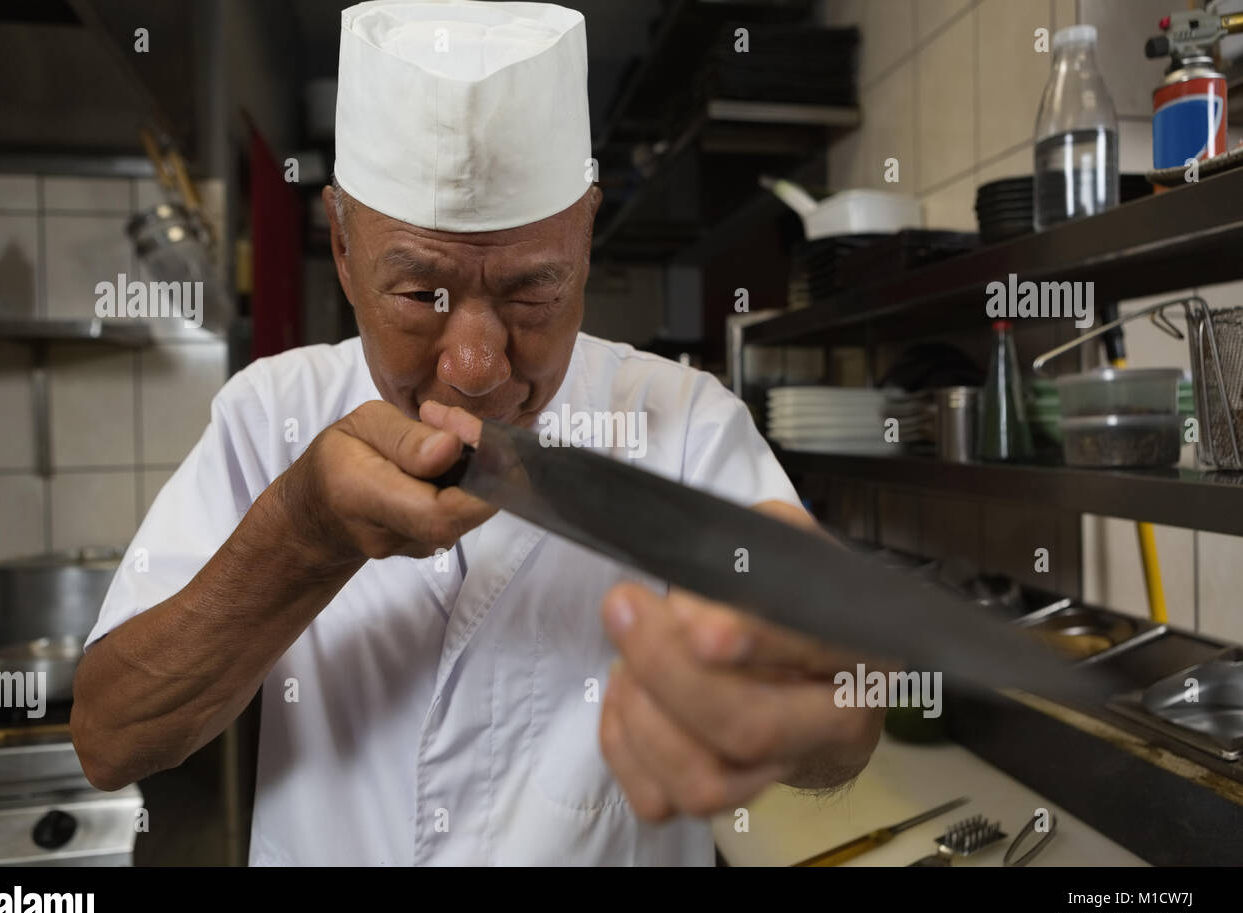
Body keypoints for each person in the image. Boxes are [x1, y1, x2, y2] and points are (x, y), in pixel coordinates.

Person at [71, 0, 882, 865]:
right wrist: (298, 538)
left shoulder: (686, 425)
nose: (474, 367)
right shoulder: (269, 412)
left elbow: (847, 722)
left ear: (585, 236)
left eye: (534, 292)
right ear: (343, 248)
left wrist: (808, 686)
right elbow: (110, 740)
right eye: (422, 295)